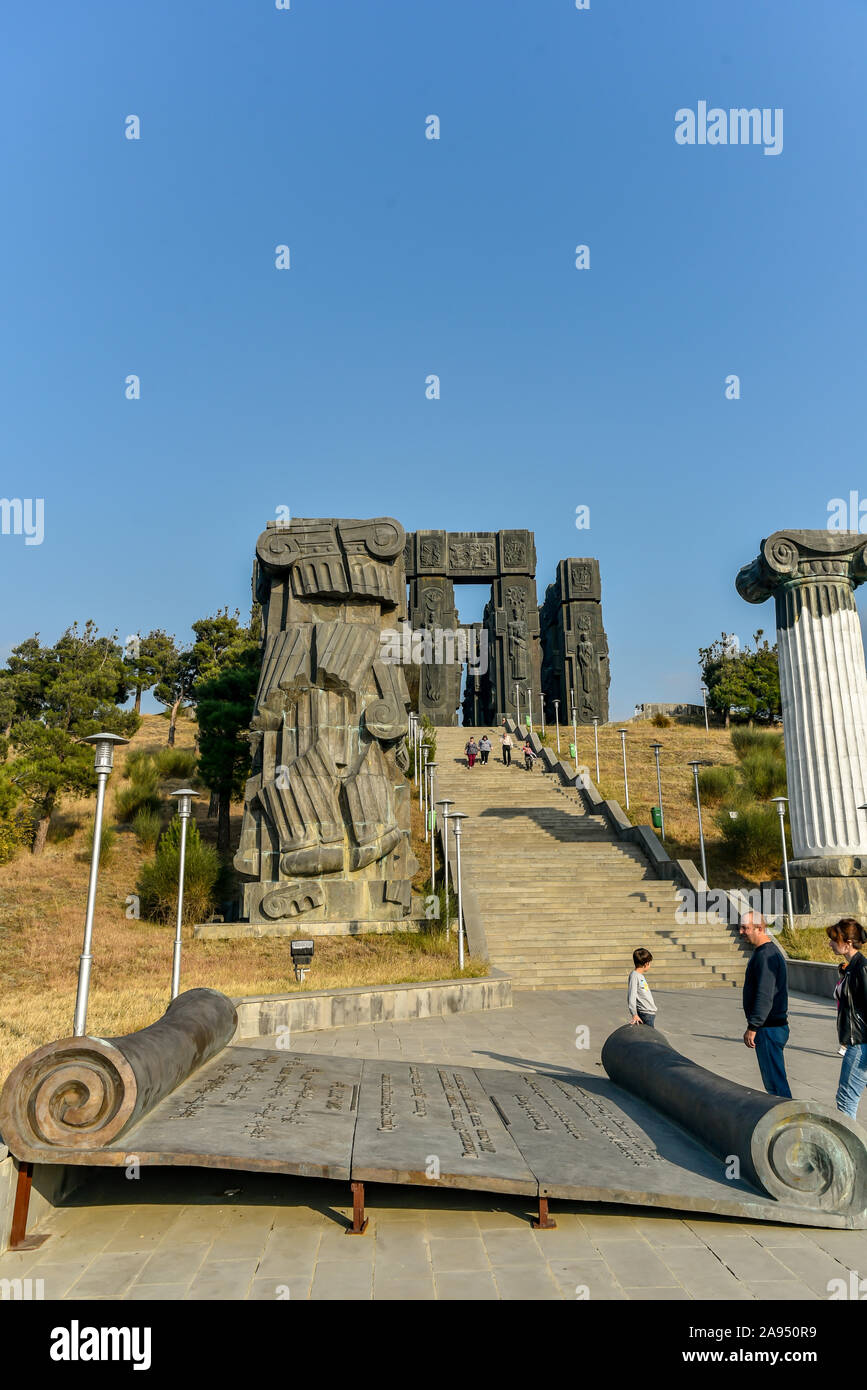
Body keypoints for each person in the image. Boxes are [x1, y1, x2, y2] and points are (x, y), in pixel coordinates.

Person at [738, 911, 791, 1098]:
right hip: (770, 1027)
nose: (741, 931)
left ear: (760, 928)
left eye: (745, 927)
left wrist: (753, 1026)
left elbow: (764, 994)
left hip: (768, 1028)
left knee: (776, 1086)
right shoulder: (767, 952)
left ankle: (789, 1123)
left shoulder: (765, 955)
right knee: (775, 1083)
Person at [826, 918, 867, 1120]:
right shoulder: (852, 967)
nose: (830, 943)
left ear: (847, 942)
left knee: (846, 1100)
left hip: (859, 1044)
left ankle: (850, 1149)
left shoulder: (861, 969)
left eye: (834, 939)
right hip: (858, 1042)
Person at [627, 948, 657, 1026]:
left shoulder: (640, 976)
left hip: (649, 1013)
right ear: (646, 964)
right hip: (645, 1013)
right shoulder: (634, 976)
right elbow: (631, 996)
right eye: (650, 963)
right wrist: (634, 1014)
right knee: (648, 1037)